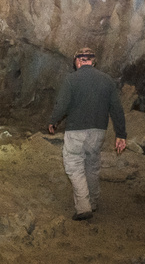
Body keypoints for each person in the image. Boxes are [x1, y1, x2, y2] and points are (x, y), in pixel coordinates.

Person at [48, 47, 128, 221]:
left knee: (74, 165)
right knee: (91, 165)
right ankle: (93, 202)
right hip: (98, 131)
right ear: (93, 61)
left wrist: (53, 121)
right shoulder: (107, 81)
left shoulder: (71, 79)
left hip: (76, 130)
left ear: (77, 61)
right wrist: (121, 134)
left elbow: (61, 104)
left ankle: (83, 207)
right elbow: (117, 109)